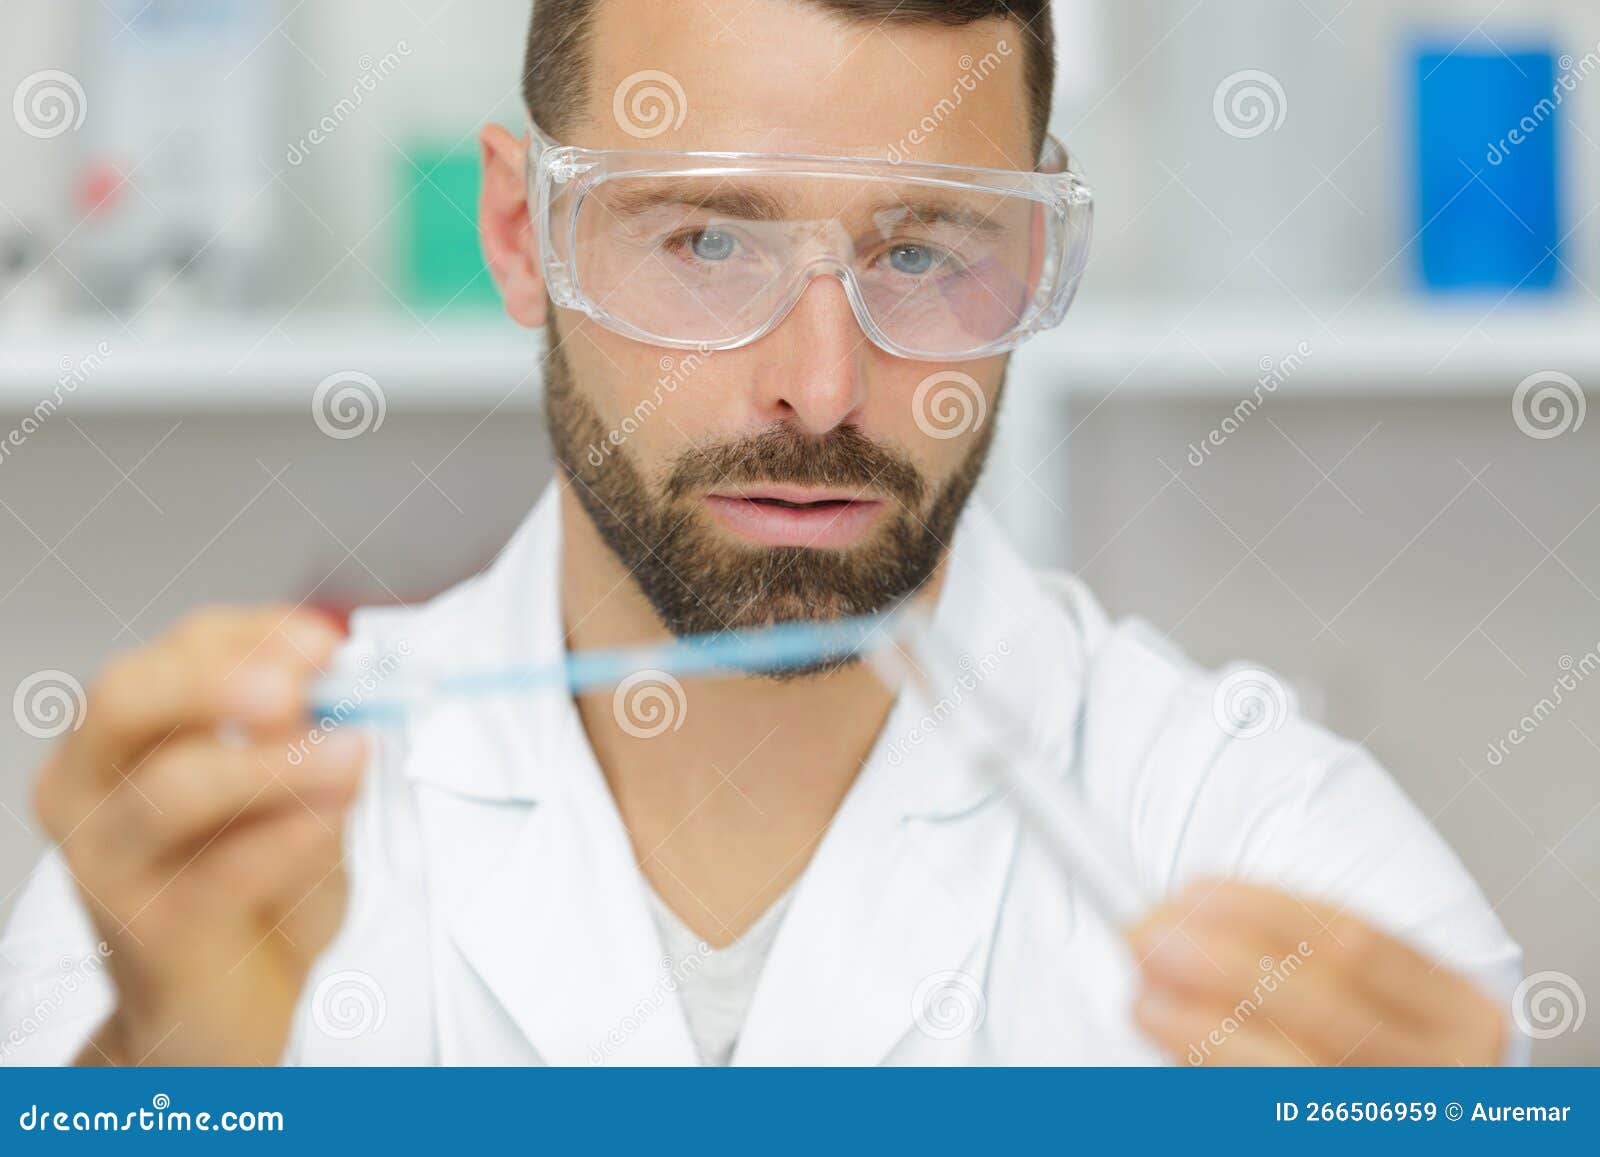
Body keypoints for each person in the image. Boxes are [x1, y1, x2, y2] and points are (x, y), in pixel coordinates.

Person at [1, 0, 1519, 1067]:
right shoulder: (210, 864)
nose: (821, 384)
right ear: (525, 235)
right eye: (708, 239)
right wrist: (170, 1081)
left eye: (924, 249)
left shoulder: (1253, 836)